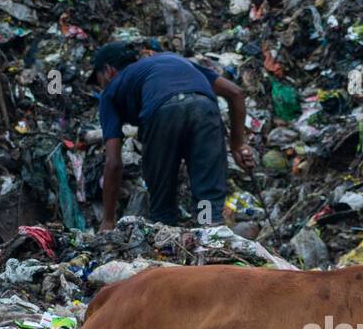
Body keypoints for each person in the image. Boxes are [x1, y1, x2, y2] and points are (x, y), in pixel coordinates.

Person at [92, 42, 254, 232]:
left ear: (108, 71)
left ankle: (168, 243)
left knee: (162, 200)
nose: (101, 86)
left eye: (98, 80)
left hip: (162, 114)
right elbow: (236, 93)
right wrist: (237, 145)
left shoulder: (110, 92)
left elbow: (113, 163)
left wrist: (108, 220)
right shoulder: (173, 60)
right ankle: (209, 236)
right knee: (207, 194)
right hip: (205, 110)